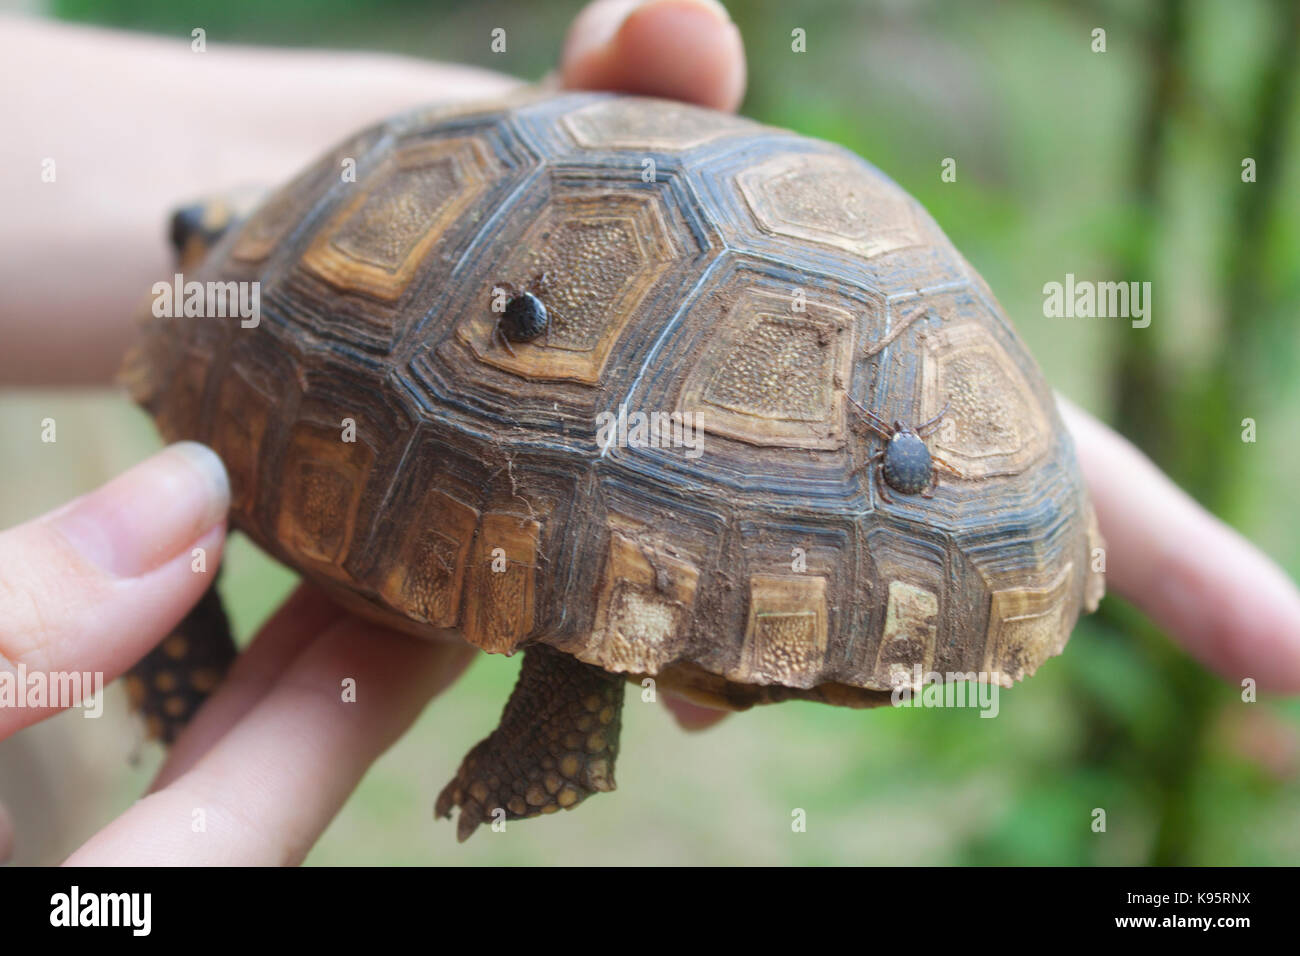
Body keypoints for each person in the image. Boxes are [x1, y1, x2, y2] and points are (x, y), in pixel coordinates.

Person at [0, 0, 1296, 866]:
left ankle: (572, 689)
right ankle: (575, 685)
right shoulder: (344, 199)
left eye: (196, 242)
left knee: (206, 537)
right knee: (586, 585)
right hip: (924, 451)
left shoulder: (248, 287)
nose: (186, 253)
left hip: (683, 354)